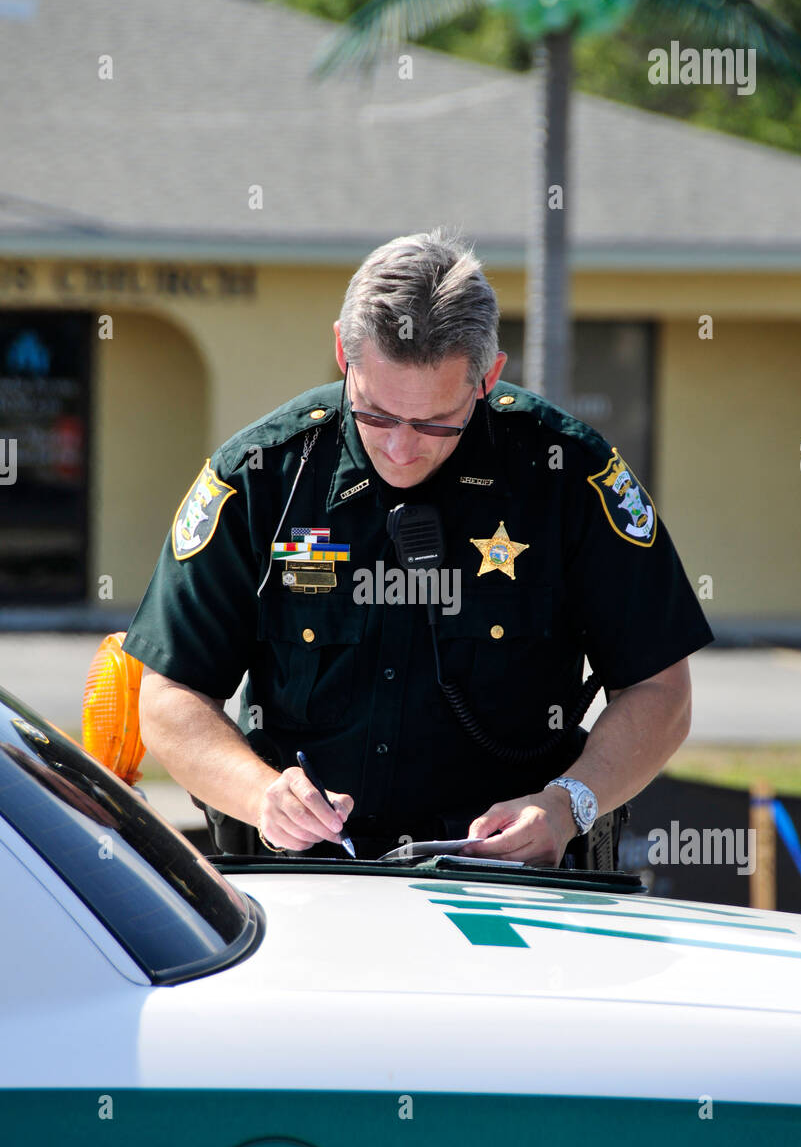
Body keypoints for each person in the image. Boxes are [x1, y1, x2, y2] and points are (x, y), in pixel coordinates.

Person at [123, 228, 713, 866]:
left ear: (488, 377)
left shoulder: (565, 473)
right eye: (376, 414)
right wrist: (263, 795)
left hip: (507, 890)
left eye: (435, 421)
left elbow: (660, 690)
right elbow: (169, 695)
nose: (403, 449)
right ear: (344, 357)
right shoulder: (264, 472)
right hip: (307, 886)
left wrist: (570, 803)